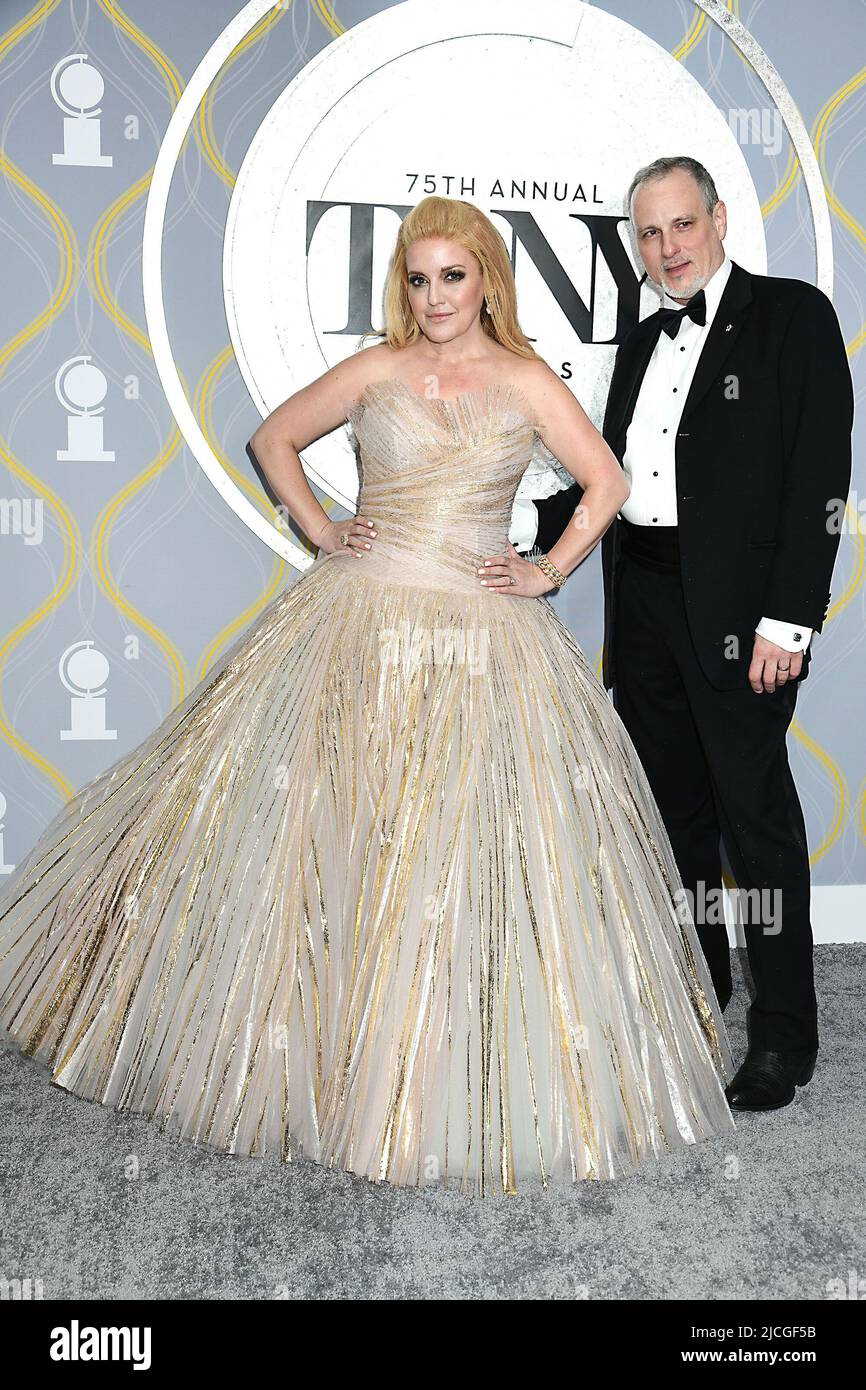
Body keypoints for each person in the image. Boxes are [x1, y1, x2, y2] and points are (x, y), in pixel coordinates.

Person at [0, 195, 736, 1196]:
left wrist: (547, 567)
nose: (434, 296)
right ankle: (327, 1070)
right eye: (418, 277)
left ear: (485, 278)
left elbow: (603, 481)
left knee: (453, 854)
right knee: (334, 841)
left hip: (481, 644)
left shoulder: (524, 380)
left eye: (453, 275)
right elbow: (273, 440)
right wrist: (317, 526)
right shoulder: (378, 369)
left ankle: (426, 1079)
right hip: (356, 625)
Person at [532, 158, 854, 1113]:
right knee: (675, 815)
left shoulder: (791, 316)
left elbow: (817, 481)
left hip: (741, 616)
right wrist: (515, 534)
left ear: (719, 219)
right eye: (649, 233)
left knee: (757, 824)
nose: (667, 248)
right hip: (645, 603)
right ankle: (703, 988)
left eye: (682, 225)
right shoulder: (634, 342)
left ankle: (784, 1037)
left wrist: (788, 622)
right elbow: (613, 479)